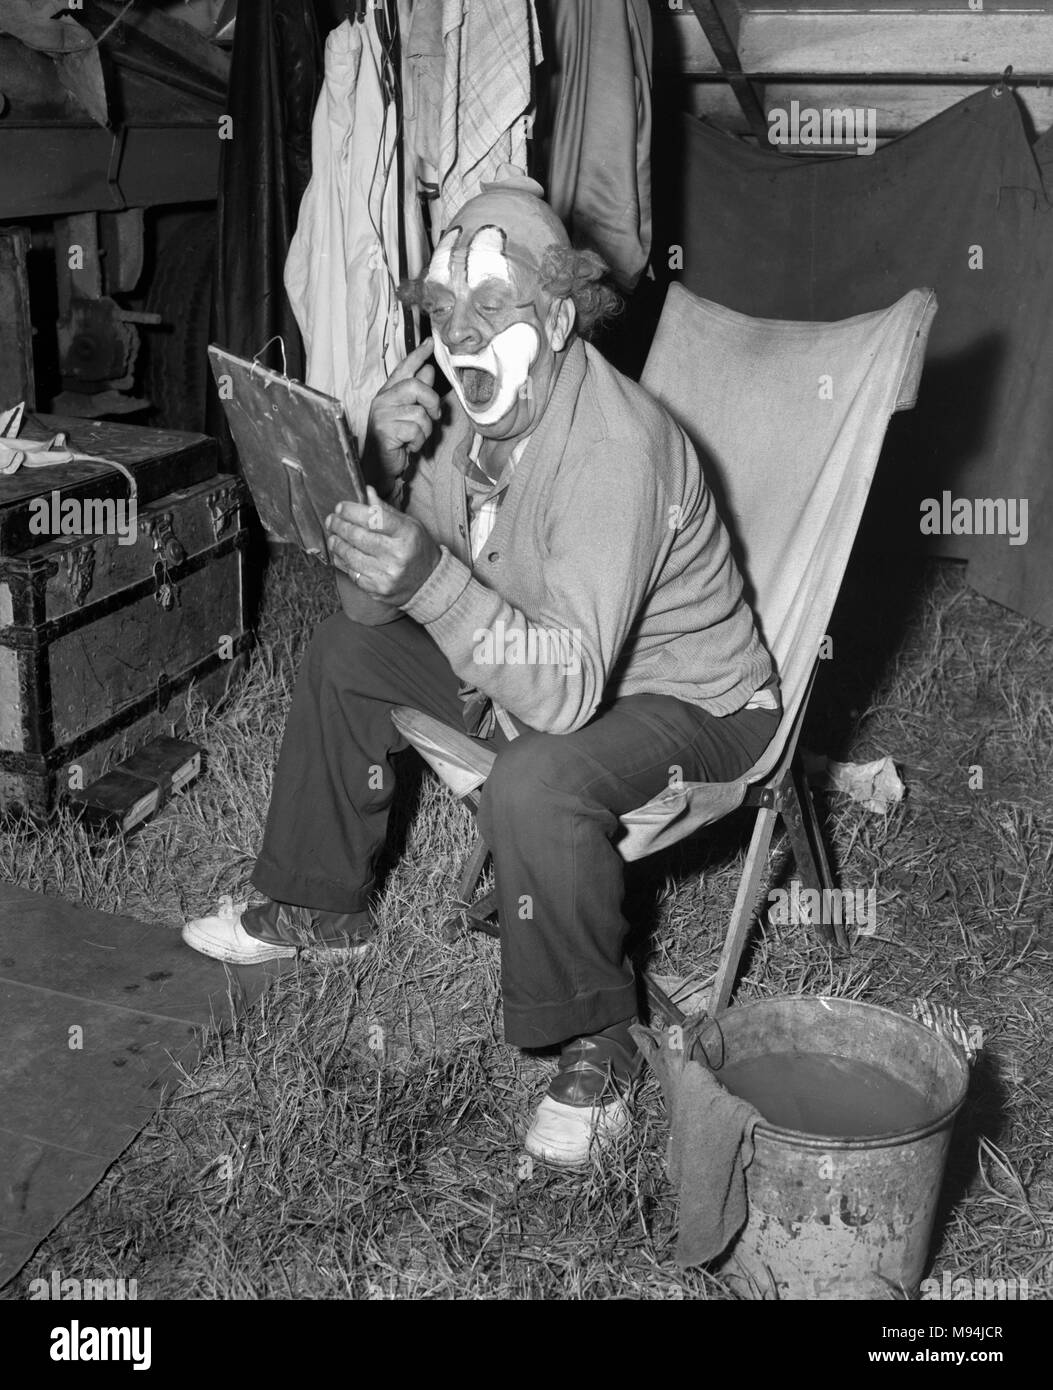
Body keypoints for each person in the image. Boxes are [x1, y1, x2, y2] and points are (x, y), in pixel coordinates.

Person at [184, 169, 780, 1167]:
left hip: (693, 700)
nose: (458, 334)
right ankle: (320, 904)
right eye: (443, 306)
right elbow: (373, 609)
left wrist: (433, 581)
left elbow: (565, 692)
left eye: (491, 305)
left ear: (554, 318)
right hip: (542, 657)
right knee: (346, 655)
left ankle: (600, 1036)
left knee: (537, 777)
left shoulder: (612, 447)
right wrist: (372, 470)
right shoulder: (461, 422)